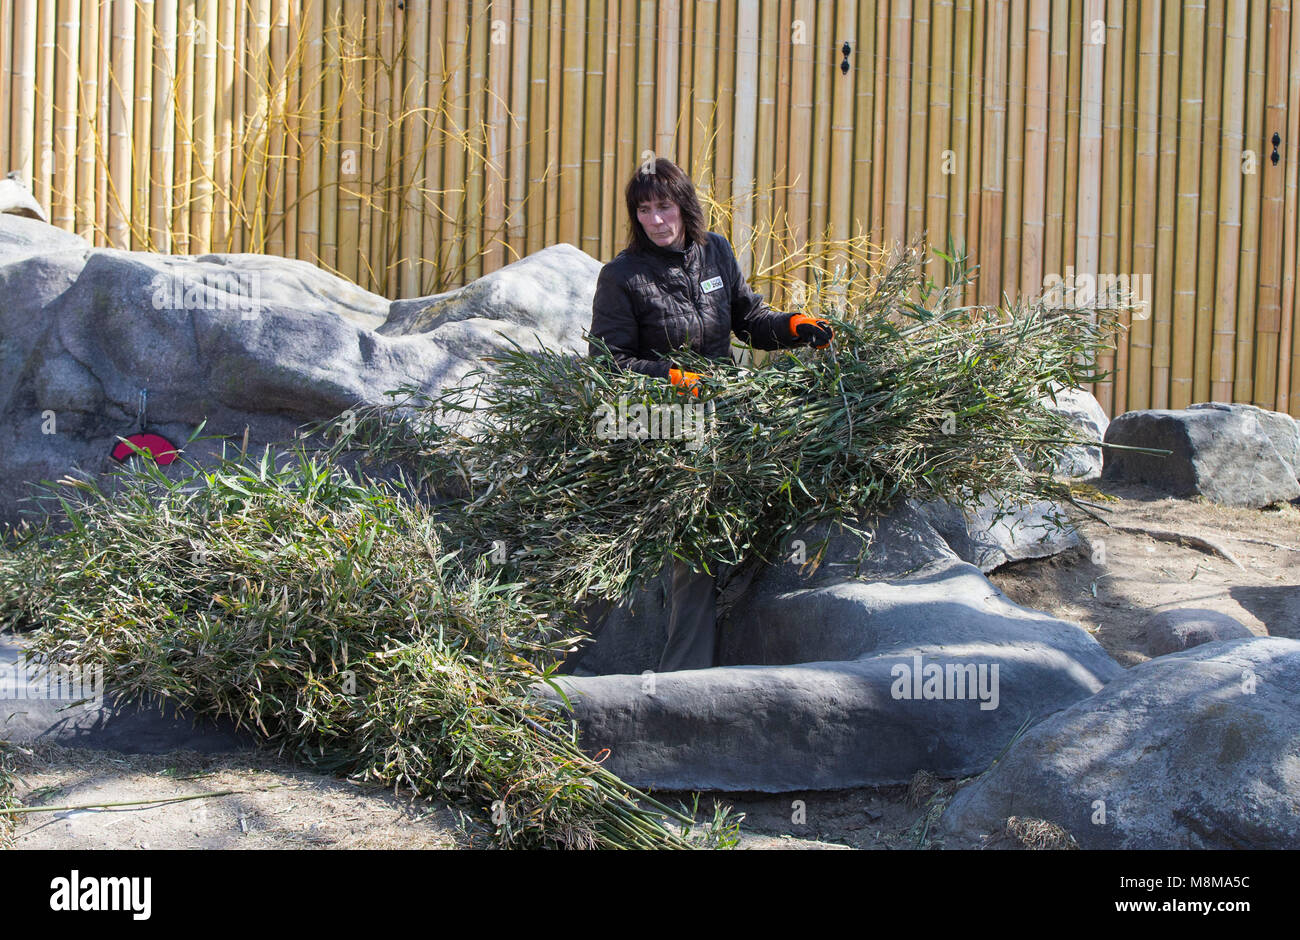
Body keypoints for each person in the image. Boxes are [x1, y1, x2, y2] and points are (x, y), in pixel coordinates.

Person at [586, 157, 833, 672]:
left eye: (665, 207)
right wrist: (672, 379)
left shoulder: (713, 251)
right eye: (645, 209)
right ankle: (685, 680)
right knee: (693, 545)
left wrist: (793, 326)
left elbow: (749, 321)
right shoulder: (622, 276)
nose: (656, 219)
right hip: (660, 426)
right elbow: (609, 364)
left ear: (684, 207)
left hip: (726, 413)